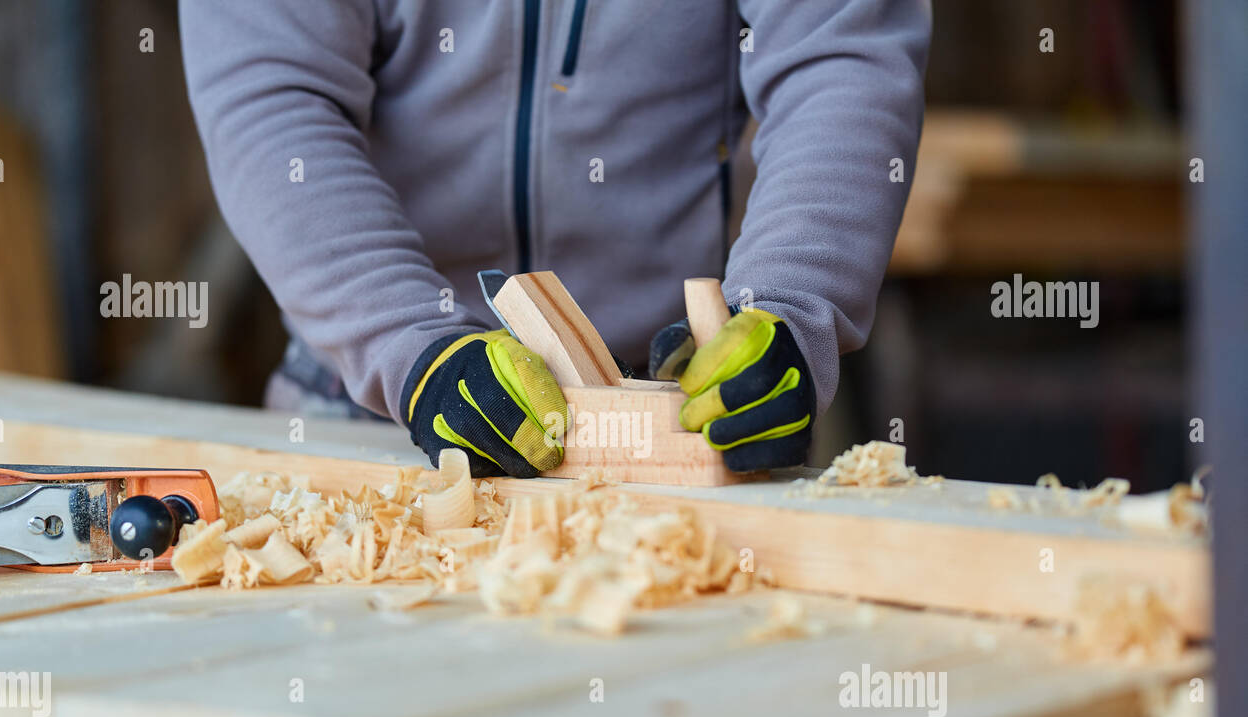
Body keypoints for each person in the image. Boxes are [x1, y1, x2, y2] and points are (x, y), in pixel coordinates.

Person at [180, 0, 929, 477]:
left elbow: (839, 61)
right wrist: (409, 343)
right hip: (372, 414)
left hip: (668, 425)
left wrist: (792, 301)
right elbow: (272, 98)